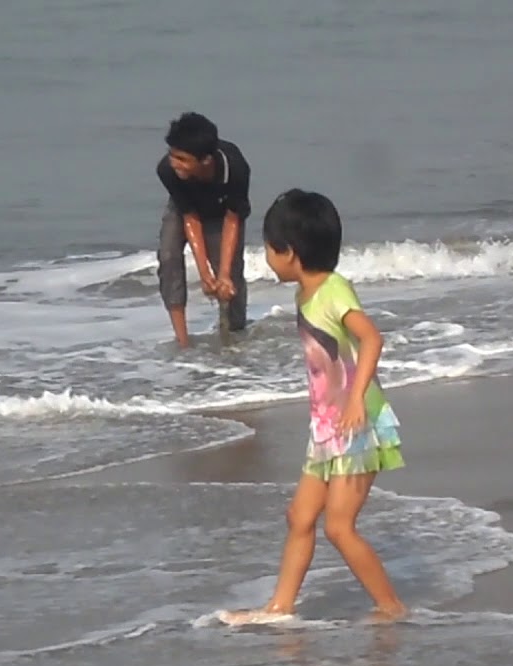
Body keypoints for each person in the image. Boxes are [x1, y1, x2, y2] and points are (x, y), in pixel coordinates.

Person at [221, 188, 407, 624]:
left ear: (290, 252)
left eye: (268, 248)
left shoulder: (333, 291)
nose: (265, 256)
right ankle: (278, 608)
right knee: (298, 515)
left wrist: (357, 401)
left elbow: (371, 338)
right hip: (327, 426)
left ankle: (391, 608)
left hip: (357, 423)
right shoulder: (305, 294)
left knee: (338, 527)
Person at [155, 112, 251, 348]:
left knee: (230, 276)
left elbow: (232, 220)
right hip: (186, 210)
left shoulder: (235, 168)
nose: (174, 162)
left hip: (224, 213)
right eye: (172, 154)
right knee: (168, 257)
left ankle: (234, 336)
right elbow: (190, 218)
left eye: (182, 158)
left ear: (205, 160)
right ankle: (182, 341)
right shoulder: (167, 170)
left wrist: (222, 274)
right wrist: (203, 274)